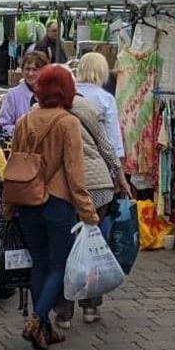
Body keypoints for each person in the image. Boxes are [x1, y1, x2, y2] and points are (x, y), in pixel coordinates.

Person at [6, 64, 99, 350]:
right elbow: (74, 172)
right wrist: (88, 212)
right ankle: (36, 320)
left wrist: (8, 205)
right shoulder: (67, 122)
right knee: (60, 265)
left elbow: (14, 164)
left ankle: (44, 327)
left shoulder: (24, 121)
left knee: (40, 263)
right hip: (57, 203)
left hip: (26, 201)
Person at [60, 85, 131, 326]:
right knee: (93, 245)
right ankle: (90, 308)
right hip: (98, 185)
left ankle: (64, 312)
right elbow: (107, 146)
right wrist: (120, 177)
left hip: (65, 186)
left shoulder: (42, 110)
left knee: (66, 249)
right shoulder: (88, 107)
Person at [73, 52, 124, 158]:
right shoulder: (106, 99)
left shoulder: (69, 92)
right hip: (97, 156)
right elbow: (112, 134)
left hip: (72, 151)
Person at [0, 51, 47, 129]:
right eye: (27, 69)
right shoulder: (12, 95)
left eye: (35, 69)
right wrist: (23, 131)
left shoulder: (49, 95)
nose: (30, 73)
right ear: (22, 70)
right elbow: (2, 124)